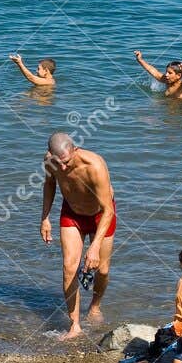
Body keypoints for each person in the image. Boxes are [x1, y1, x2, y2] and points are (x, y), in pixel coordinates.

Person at [39, 131, 118, 338]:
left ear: (75, 150)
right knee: (68, 267)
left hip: (101, 215)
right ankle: (75, 325)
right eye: (58, 162)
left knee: (102, 269)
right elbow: (49, 185)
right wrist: (45, 217)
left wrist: (93, 247)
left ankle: (95, 306)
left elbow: (108, 210)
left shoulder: (95, 166)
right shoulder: (50, 161)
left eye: (66, 161)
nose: (62, 167)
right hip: (72, 213)